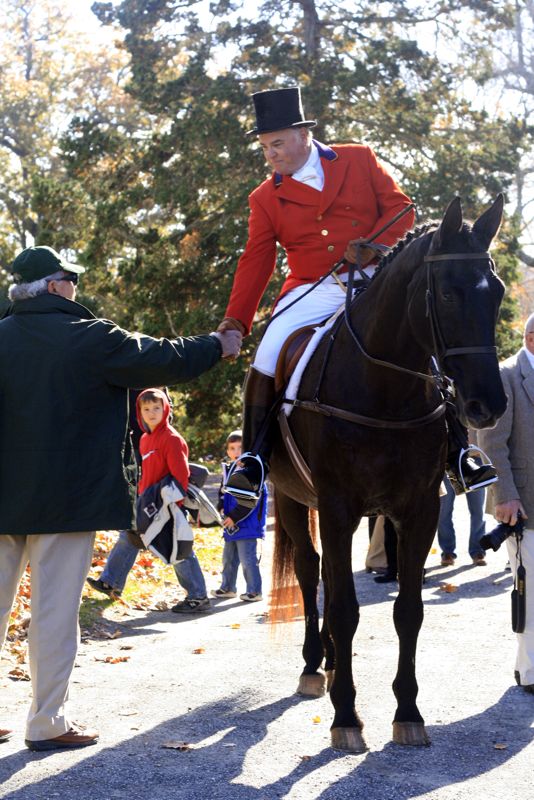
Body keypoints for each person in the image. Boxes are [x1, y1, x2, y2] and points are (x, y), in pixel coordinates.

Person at [0, 245, 241, 751]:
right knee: (53, 614)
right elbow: (163, 357)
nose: (75, 287)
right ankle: (46, 724)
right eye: (70, 279)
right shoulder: (90, 338)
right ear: (53, 286)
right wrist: (217, 344)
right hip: (66, 501)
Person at [217, 85, 495, 514]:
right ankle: (253, 458)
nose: (271, 154)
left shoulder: (358, 158)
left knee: (427, 340)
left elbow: (401, 208)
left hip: (374, 277)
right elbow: (256, 261)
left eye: (277, 143)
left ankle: (459, 451)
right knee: (269, 353)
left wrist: (370, 246)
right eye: (264, 147)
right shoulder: (264, 197)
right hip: (312, 286)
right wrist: (236, 322)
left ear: (303, 135)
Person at [88, 389, 212, 612]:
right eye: (146, 409)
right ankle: (111, 583)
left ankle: (198, 596)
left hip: (168, 506)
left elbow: (180, 477)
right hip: (147, 502)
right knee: (130, 535)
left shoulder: (172, 439)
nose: (152, 413)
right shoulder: (146, 439)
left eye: (157, 408)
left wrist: (171, 506)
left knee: (178, 549)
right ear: (140, 413)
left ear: (165, 409)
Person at [478, 313, 534, 693]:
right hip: (523, 503)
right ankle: (530, 672)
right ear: (532, 338)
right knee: (529, 592)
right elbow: (490, 443)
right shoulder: (506, 375)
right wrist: (505, 496)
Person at [211, 430, 266, 602]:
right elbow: (223, 494)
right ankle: (227, 587)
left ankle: (254, 590)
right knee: (228, 559)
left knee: (248, 559)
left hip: (247, 525)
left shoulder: (254, 472)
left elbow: (251, 500)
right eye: (232, 448)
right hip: (231, 525)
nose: (236, 452)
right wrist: (220, 508)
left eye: (240, 448)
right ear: (227, 451)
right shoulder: (228, 471)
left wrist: (234, 516)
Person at [438, 432, 488, 567]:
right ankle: (447, 551)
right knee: (443, 512)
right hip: (448, 460)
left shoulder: (475, 409)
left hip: (473, 457)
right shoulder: (444, 409)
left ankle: (478, 550)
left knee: (478, 510)